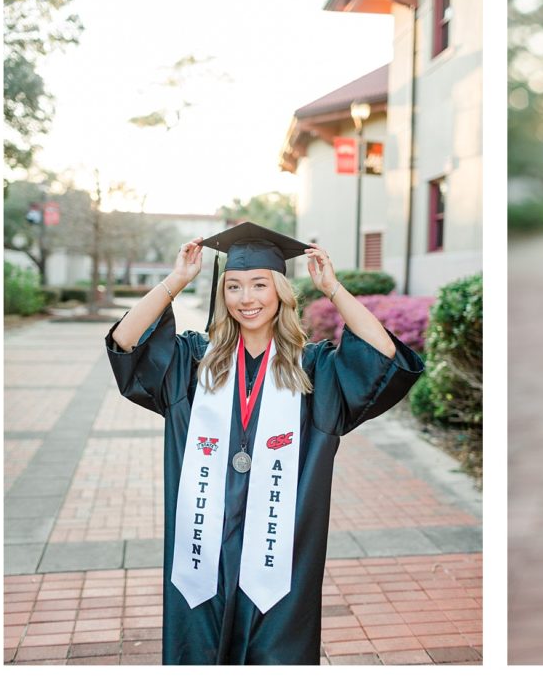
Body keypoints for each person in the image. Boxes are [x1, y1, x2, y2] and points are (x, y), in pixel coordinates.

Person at [106, 222, 424, 664]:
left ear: (280, 290)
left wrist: (333, 289)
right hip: (203, 558)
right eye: (233, 286)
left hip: (280, 558)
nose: (246, 298)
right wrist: (175, 281)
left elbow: (385, 357)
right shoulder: (195, 363)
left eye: (259, 284)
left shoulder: (314, 370)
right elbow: (125, 342)